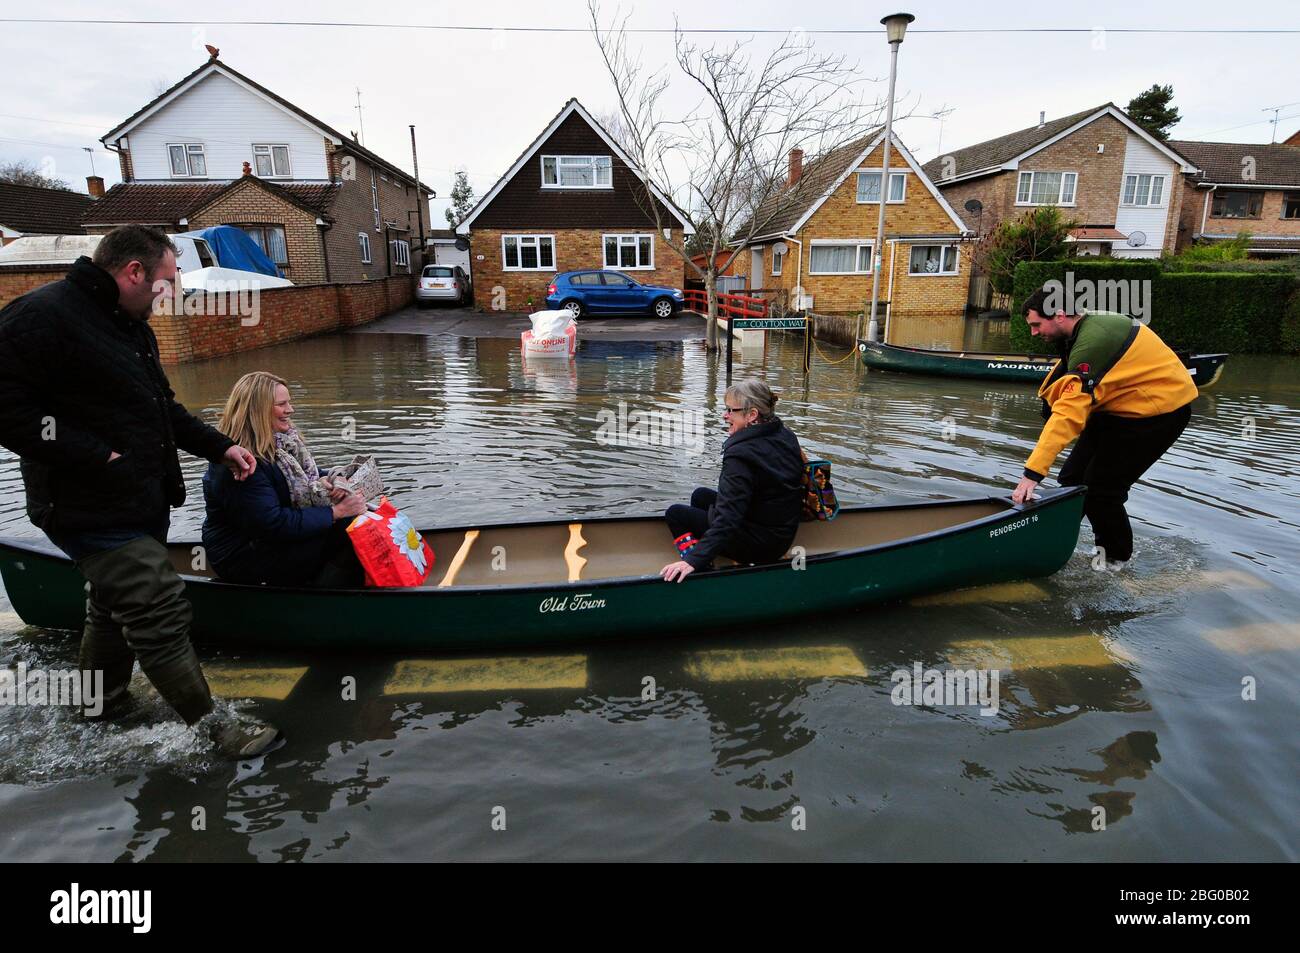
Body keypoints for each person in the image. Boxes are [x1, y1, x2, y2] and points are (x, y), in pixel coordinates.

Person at [0, 225, 281, 758]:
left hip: (138, 497)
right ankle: (215, 732)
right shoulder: (42, 317)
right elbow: (7, 410)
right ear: (134, 273)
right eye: (167, 282)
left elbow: (162, 410)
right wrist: (96, 455)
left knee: (110, 608)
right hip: (83, 503)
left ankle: (98, 706)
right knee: (157, 604)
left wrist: (220, 447)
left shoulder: (131, 326)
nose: (171, 294)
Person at [1011, 287, 1199, 570]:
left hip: (1160, 413)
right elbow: (1063, 384)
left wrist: (1031, 474)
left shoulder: (1094, 341)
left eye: (1036, 325)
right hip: (1118, 405)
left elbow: (1070, 411)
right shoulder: (1083, 329)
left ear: (1060, 315)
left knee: (1102, 492)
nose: (1034, 333)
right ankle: (1049, 547)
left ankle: (1115, 563)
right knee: (1072, 480)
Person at [202, 371, 367, 588]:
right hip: (245, 556)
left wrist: (332, 479)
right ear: (258, 411)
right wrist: (337, 512)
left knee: (360, 523)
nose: (290, 409)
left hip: (267, 543)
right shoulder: (240, 462)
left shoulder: (283, 444)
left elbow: (310, 475)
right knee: (349, 532)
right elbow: (272, 523)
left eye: (289, 402)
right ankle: (324, 604)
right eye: (282, 404)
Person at [661, 380, 805, 583]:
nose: (725, 415)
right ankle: (711, 551)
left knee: (676, 514)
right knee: (700, 496)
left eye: (731, 410)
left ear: (752, 415)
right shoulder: (784, 434)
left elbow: (729, 517)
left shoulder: (740, 456)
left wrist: (694, 559)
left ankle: (699, 568)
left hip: (760, 545)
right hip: (780, 533)